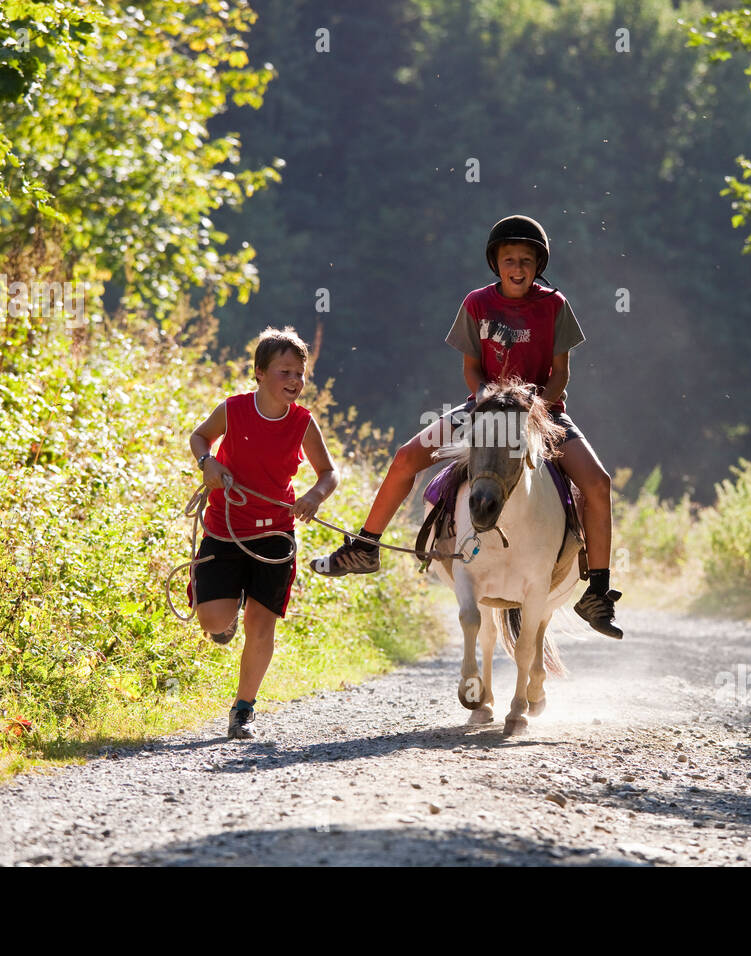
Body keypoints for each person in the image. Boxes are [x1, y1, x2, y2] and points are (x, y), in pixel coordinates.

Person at [308, 214, 623, 637]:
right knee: (405, 458)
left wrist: (537, 410)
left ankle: (597, 591)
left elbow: (561, 373)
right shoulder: (477, 303)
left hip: (541, 410)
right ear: (496, 262)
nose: (517, 268)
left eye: (526, 260)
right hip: (483, 407)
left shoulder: (555, 305)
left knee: (598, 483)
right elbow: (472, 369)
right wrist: (483, 403)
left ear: (538, 265)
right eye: (509, 259)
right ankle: (366, 545)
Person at [187, 326, 338, 740]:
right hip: (225, 529)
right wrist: (208, 463)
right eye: (284, 372)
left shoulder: (304, 423)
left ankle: (243, 710)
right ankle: (224, 615)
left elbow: (329, 473)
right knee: (212, 619)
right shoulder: (233, 410)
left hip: (275, 534)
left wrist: (314, 496)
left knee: (262, 624)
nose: (294, 381)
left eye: (300, 373)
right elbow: (199, 437)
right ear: (259, 373)